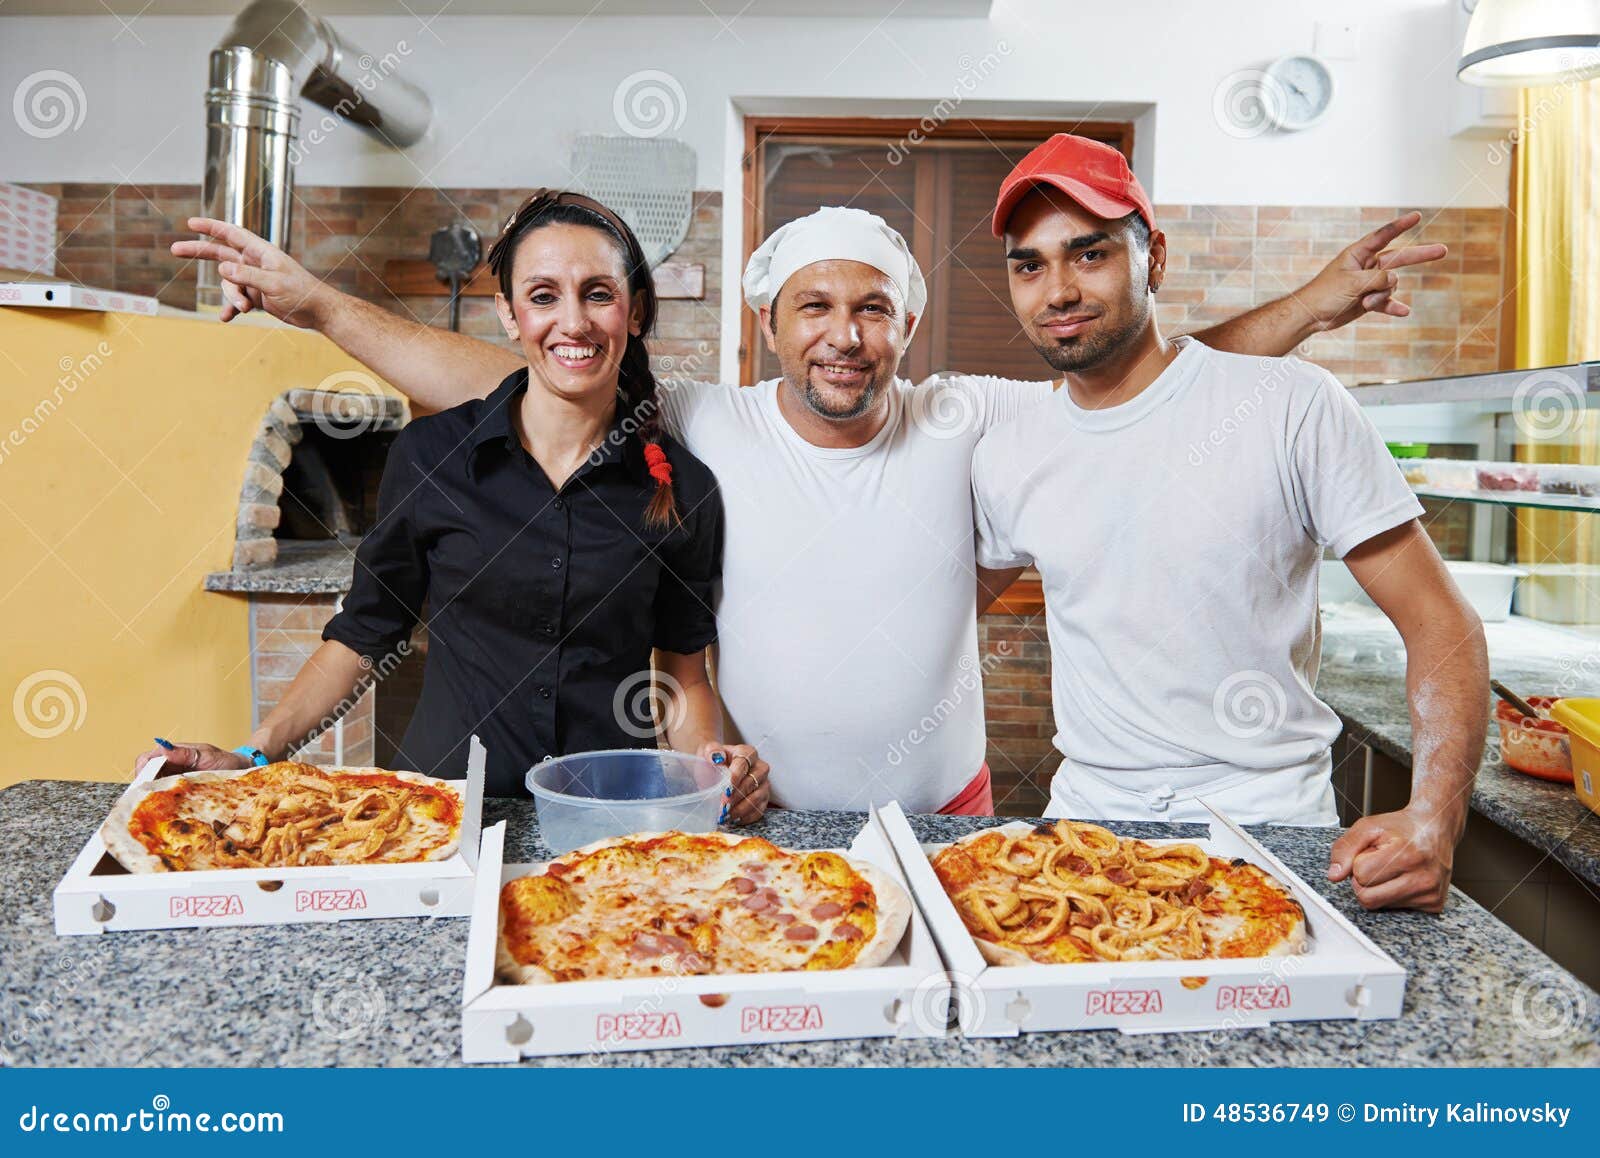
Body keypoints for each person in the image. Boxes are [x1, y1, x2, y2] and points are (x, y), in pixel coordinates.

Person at [169, 168, 1444, 816]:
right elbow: (522, 377)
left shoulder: (968, 418)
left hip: (943, 814)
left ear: (908, 327)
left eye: (872, 308)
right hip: (756, 812)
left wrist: (1306, 309)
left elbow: (1147, 378)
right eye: (814, 307)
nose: (844, 335)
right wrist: (320, 306)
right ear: (767, 326)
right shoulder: (702, 426)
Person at [971, 134, 1488, 911]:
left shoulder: (1293, 404)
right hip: (1086, 830)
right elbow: (940, 615)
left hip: (1269, 826)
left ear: (1154, 259)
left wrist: (1435, 817)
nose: (1059, 291)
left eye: (1090, 254)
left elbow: (1441, 623)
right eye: (1030, 266)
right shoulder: (1011, 450)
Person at [139, 190, 771, 817]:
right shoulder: (432, 455)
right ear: (509, 314)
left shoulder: (683, 487)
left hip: (603, 813)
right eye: (543, 296)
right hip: (442, 809)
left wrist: (710, 766)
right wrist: (253, 754)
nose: (574, 322)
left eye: (598, 293)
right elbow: (362, 636)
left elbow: (684, 675)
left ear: (635, 312)